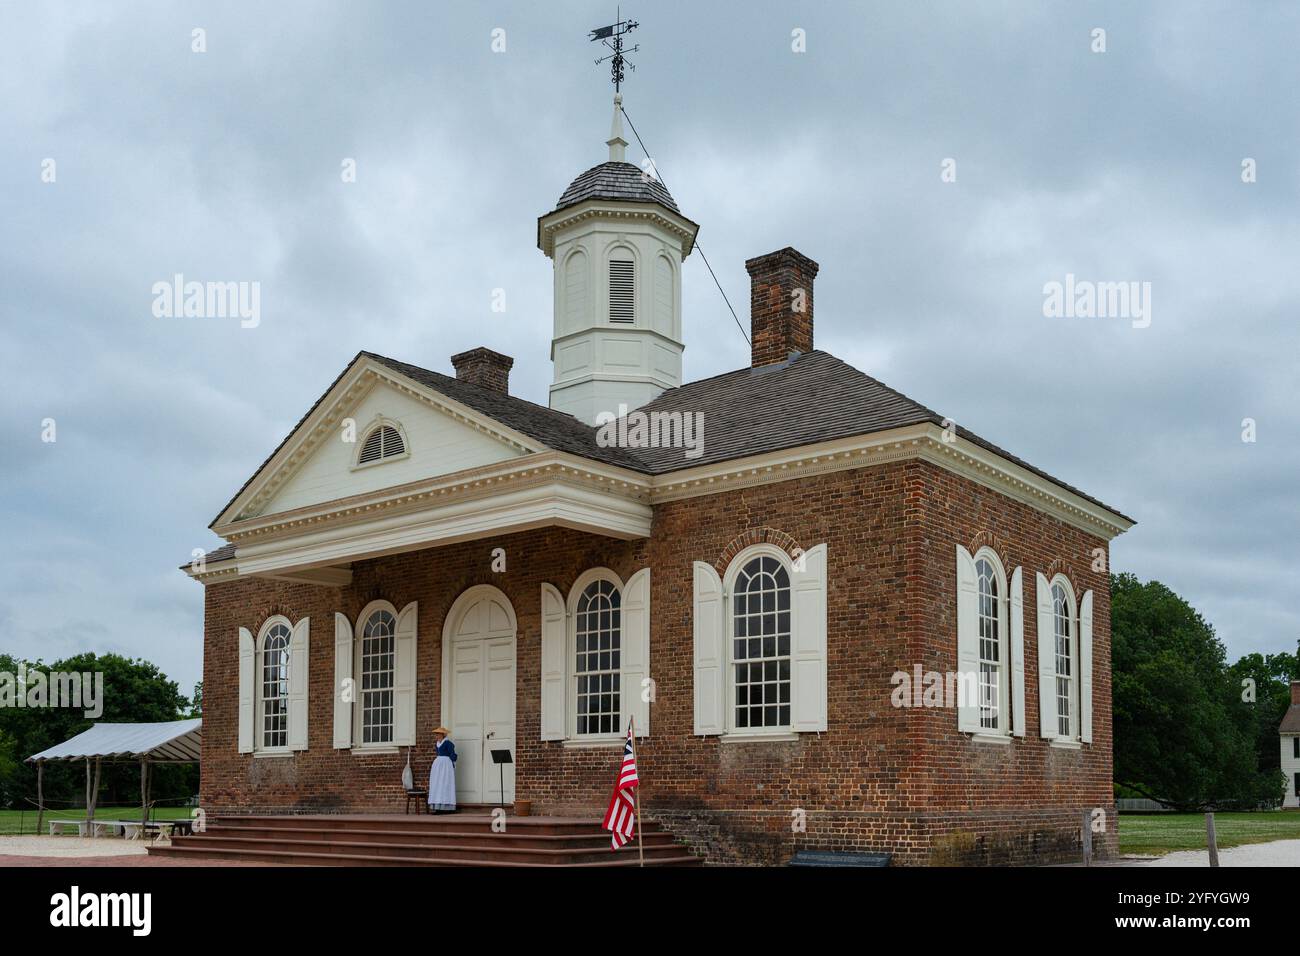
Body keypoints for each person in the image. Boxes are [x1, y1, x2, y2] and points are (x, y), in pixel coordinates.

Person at [427, 726, 457, 814]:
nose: (437, 736)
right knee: (437, 784)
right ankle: (438, 807)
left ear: (443, 735)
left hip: (446, 765)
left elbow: (452, 755)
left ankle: (446, 807)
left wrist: (453, 763)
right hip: (438, 766)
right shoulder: (437, 744)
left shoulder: (448, 743)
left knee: (445, 784)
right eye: (436, 734)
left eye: (438, 734)